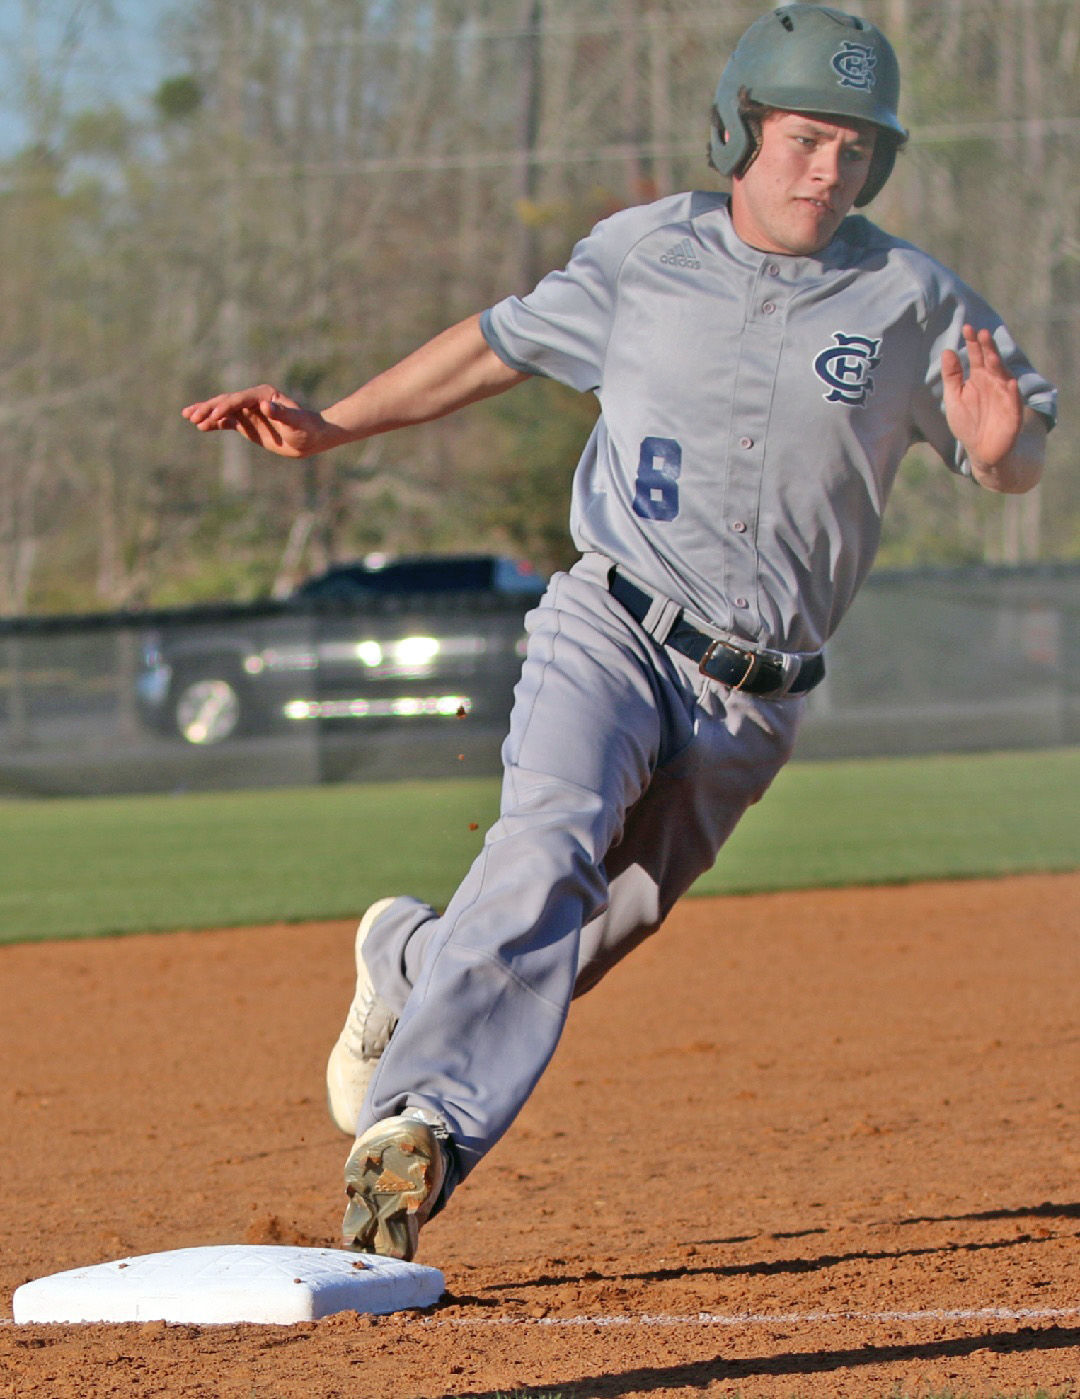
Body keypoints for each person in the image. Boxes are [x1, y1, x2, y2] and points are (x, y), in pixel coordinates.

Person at [183, 4, 1055, 1262]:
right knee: (547, 841)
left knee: (589, 930)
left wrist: (1001, 452)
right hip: (613, 624)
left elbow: (1016, 450)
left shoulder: (913, 299)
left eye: (857, 149)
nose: (830, 169)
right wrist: (335, 425)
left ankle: (411, 954)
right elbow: (494, 346)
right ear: (740, 130)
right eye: (807, 137)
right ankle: (417, 1129)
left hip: (757, 697)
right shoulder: (646, 254)